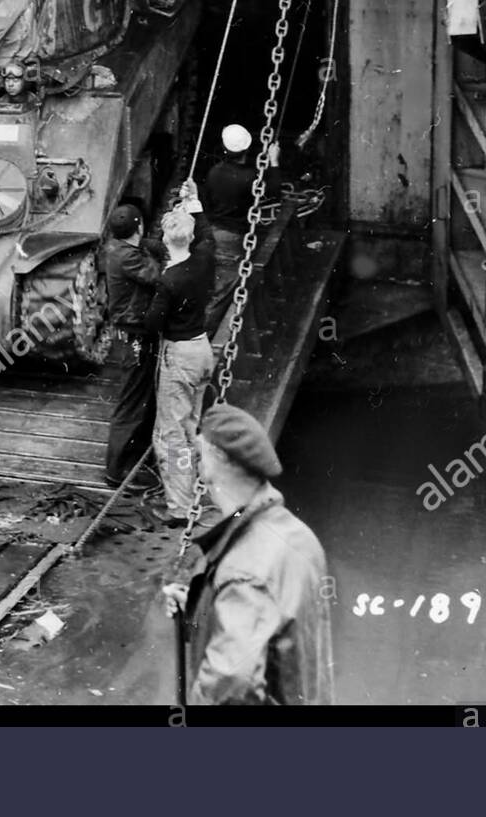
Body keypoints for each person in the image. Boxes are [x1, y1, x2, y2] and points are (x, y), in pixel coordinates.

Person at [162, 403, 335, 705]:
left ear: (218, 459)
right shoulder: (299, 536)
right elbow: (274, 627)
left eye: (201, 452)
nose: (197, 461)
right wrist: (199, 603)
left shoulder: (244, 571)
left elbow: (229, 682)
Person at [144, 186, 218, 525]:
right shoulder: (203, 259)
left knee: (171, 435)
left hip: (179, 356)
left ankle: (178, 508)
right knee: (190, 426)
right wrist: (195, 201)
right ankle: (195, 493)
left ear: (164, 238)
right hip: (202, 349)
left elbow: (152, 324)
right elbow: (207, 234)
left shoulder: (168, 281)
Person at [101, 204, 165, 489]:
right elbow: (157, 275)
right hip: (134, 338)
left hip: (134, 335)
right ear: (138, 228)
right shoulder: (129, 258)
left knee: (141, 396)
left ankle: (134, 460)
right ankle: (116, 471)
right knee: (131, 402)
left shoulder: (116, 248)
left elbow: (148, 248)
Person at [201, 125, 281, 335]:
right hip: (231, 239)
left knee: (212, 285)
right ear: (247, 149)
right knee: (223, 291)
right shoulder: (249, 178)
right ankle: (202, 336)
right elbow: (274, 192)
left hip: (211, 233)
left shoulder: (214, 172)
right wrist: (273, 161)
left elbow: (207, 201)